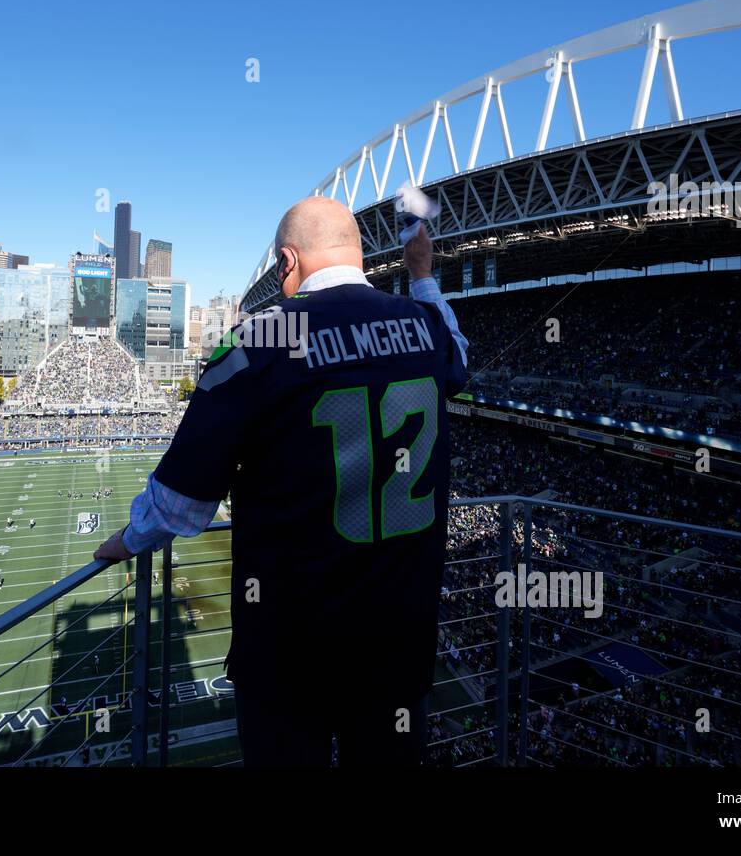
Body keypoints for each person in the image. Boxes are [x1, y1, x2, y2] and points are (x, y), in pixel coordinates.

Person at [95, 195, 467, 766]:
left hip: (291, 653)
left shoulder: (256, 342)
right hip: (398, 641)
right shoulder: (424, 327)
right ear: (359, 254)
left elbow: (183, 503)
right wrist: (422, 276)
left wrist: (128, 539)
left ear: (288, 262)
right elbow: (459, 363)